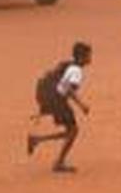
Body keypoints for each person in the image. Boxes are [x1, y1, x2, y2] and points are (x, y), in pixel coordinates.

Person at [28, 42, 92, 173]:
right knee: (73, 131)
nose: (90, 58)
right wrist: (82, 105)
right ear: (81, 57)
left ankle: (37, 140)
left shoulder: (67, 64)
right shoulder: (77, 71)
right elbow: (68, 89)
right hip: (57, 99)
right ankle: (57, 161)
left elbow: (52, 81)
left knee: (71, 131)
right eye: (88, 55)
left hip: (50, 96)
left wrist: (44, 109)